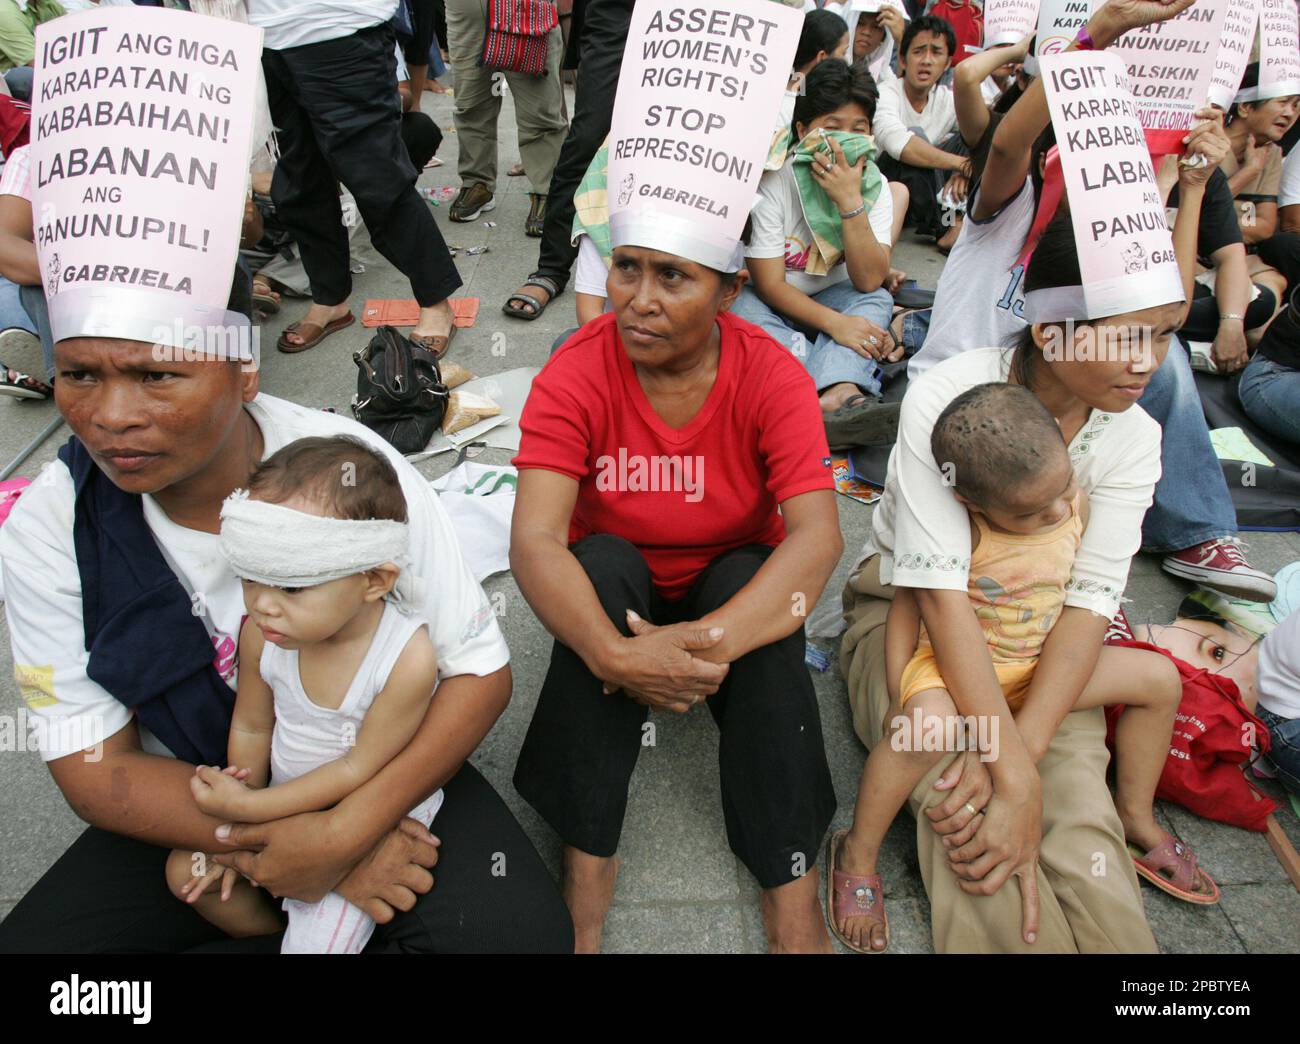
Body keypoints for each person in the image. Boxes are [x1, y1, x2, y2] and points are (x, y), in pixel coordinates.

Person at [0, 267, 572, 952]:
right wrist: (278, 848)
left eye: (156, 375)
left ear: (245, 370)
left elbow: (477, 674)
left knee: (512, 938)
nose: (111, 414)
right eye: (80, 374)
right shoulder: (50, 525)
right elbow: (97, 772)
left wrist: (344, 832)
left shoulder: (355, 477)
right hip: (194, 794)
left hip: (368, 761)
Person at [838, 0, 1226, 953]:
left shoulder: (1130, 434)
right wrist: (999, 769)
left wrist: (1028, 751)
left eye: (1164, 336)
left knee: (1090, 867)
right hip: (924, 635)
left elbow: (1092, 601)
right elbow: (934, 599)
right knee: (977, 838)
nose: (1148, 362)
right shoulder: (953, 402)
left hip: (1044, 654)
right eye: (1126, 334)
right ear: (1049, 331)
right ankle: (861, 852)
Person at [509, 248, 843, 950]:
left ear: (729, 291)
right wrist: (613, 655)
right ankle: (586, 858)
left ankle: (790, 880)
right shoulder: (576, 367)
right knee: (597, 567)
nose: (639, 298)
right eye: (626, 268)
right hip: (619, 592)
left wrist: (700, 647)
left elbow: (816, 541)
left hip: (726, 585)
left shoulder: (771, 371)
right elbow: (535, 539)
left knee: (761, 589)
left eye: (673, 276)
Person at [829, 383, 1219, 953]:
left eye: (1063, 492)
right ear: (974, 506)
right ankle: (858, 850)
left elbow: (1086, 595)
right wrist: (902, 697)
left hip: (1034, 666)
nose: (1060, 511)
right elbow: (912, 608)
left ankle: (1136, 817)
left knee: (1160, 680)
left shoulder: (1071, 493)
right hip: (961, 669)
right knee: (924, 731)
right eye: (1035, 512)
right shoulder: (963, 529)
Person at [905, 7, 1276, 603]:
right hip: (974, 399)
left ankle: (1187, 537)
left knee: (1163, 351)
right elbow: (1008, 142)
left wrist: (1197, 181)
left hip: (1067, 390)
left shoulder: (1117, 232)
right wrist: (1101, 31)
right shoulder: (1009, 204)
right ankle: (1054, 584)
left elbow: (1167, 312)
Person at [166, 436, 450, 953]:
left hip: (361, 817)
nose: (264, 605)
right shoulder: (265, 634)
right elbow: (253, 724)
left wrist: (259, 815)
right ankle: (277, 924)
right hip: (282, 800)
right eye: (252, 580)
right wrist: (243, 796)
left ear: (374, 579)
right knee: (184, 870)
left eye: (292, 587)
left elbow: (356, 770)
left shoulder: (405, 659)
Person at [248, 1, 463, 357]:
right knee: (301, 180)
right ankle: (330, 299)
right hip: (265, 35)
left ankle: (435, 301)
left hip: (339, 27)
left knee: (378, 177)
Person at [731, 61, 900, 450]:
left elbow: (870, 279)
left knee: (877, 299)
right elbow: (769, 283)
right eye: (833, 126)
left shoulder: (875, 188)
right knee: (736, 305)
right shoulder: (774, 182)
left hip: (836, 296)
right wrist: (836, 327)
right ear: (803, 131)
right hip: (773, 300)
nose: (845, 140)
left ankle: (833, 392)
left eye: (859, 130)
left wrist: (849, 201)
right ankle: (831, 380)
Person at [501, 0, 634, 321]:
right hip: (619, 11)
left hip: (709, 15)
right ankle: (551, 268)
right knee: (589, 136)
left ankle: (717, 268)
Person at [444, 0, 568, 236]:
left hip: (525, 7)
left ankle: (547, 190)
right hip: (468, 11)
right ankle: (476, 182)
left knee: (540, 112)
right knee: (470, 105)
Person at [871, 14, 968, 252]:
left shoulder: (947, 99)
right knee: (915, 138)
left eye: (936, 52)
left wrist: (962, 170)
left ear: (947, 64)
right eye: (918, 52)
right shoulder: (886, 91)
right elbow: (898, 144)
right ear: (902, 60)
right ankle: (946, 226)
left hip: (924, 190)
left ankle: (956, 220)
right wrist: (963, 164)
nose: (926, 60)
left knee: (973, 132)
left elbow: (983, 131)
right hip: (886, 185)